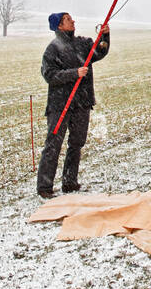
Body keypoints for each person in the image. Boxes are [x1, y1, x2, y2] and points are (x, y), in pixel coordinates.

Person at [37, 11, 110, 198]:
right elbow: (49, 75)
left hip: (81, 102)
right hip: (60, 104)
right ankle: (44, 187)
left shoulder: (82, 43)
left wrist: (105, 35)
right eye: (68, 20)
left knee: (76, 143)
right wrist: (74, 73)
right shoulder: (53, 49)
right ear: (59, 26)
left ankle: (70, 182)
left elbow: (98, 51)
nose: (73, 21)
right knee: (53, 144)